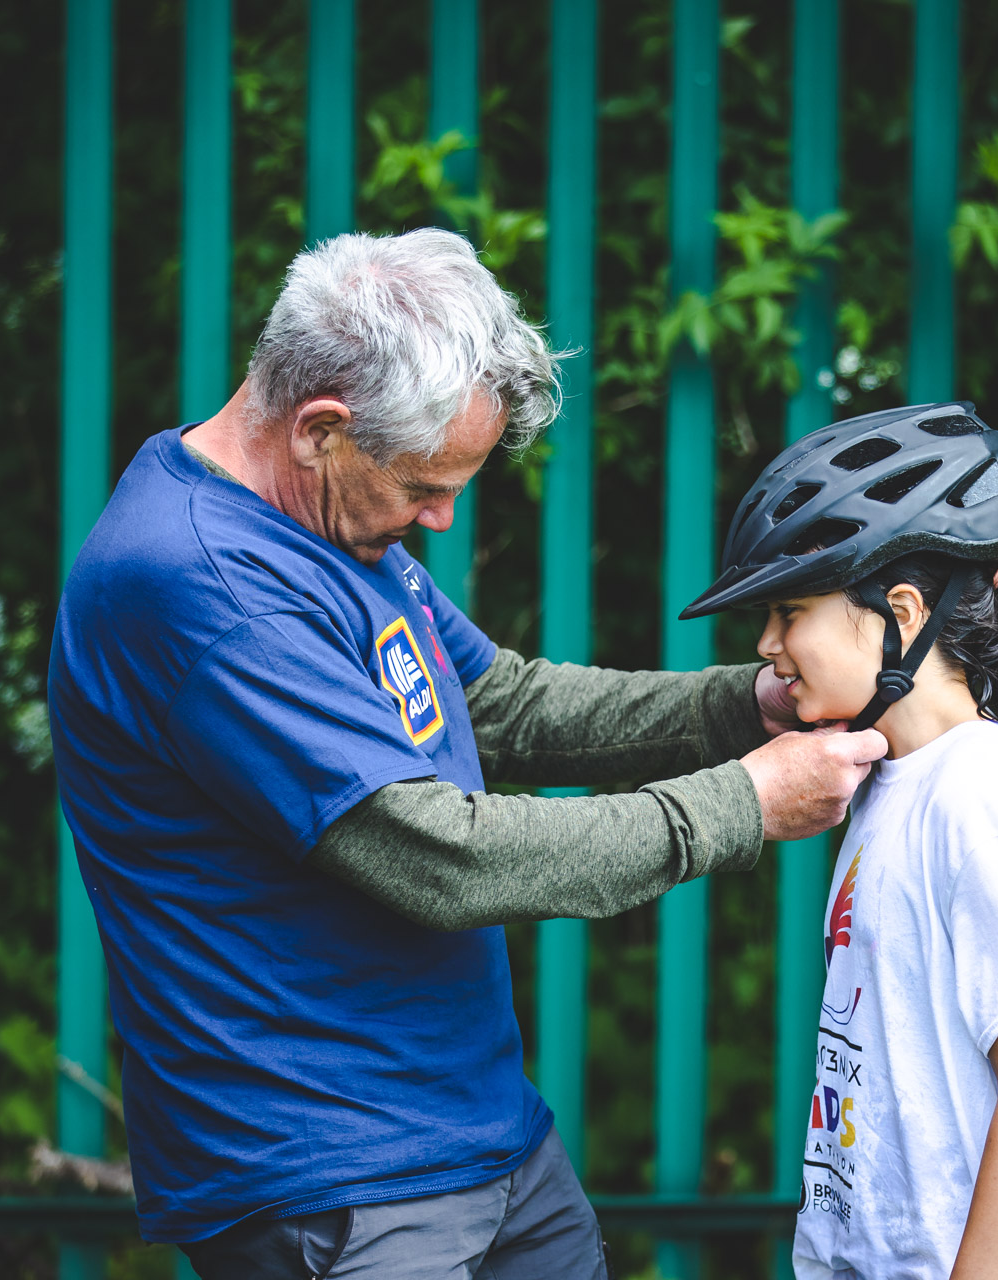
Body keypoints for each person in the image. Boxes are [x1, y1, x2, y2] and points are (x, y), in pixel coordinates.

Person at [47, 227, 886, 1279]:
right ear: (320, 429)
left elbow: (495, 703)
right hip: (334, 1175)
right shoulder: (200, 582)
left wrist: (745, 704)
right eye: (422, 485)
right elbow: (437, 855)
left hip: (482, 1131)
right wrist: (740, 805)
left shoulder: (336, 524)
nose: (439, 518)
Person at [679, 403, 998, 1279]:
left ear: (899, 613)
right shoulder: (897, 781)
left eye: (791, 611)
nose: (767, 648)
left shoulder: (979, 797)